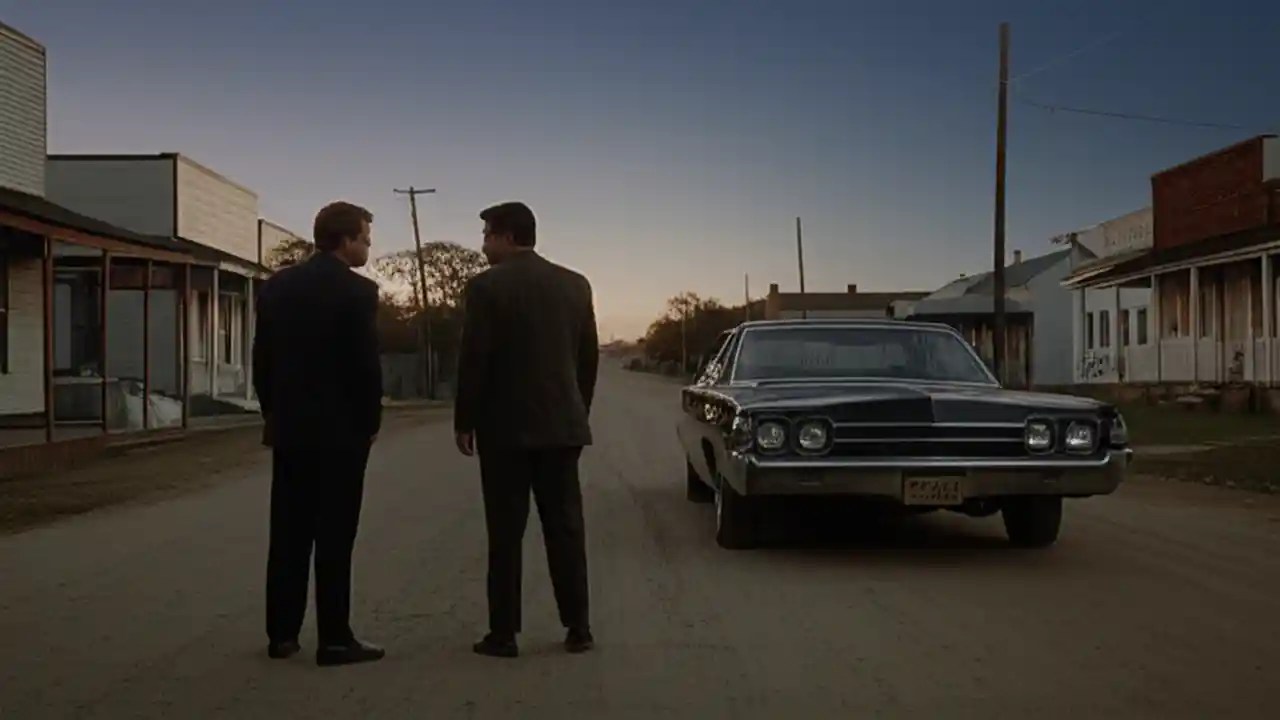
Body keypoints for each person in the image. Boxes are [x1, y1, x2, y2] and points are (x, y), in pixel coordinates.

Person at [454, 201, 599, 658]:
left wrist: (465, 420)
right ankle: (578, 628)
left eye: (486, 235)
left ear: (507, 237)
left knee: (505, 533)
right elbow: (587, 359)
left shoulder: (485, 288)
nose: (482, 245)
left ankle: (504, 634)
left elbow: (475, 358)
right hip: (562, 428)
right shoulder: (576, 285)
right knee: (566, 529)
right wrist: (577, 410)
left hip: (505, 432)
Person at [253, 201, 385, 667]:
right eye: (366, 238)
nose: (368, 246)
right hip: (341, 434)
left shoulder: (276, 288)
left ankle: (282, 634)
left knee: (287, 532)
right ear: (346, 239)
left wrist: (277, 413)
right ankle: (334, 637)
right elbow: (366, 367)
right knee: (335, 536)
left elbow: (262, 362)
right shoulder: (358, 293)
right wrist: (369, 423)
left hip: (290, 429)